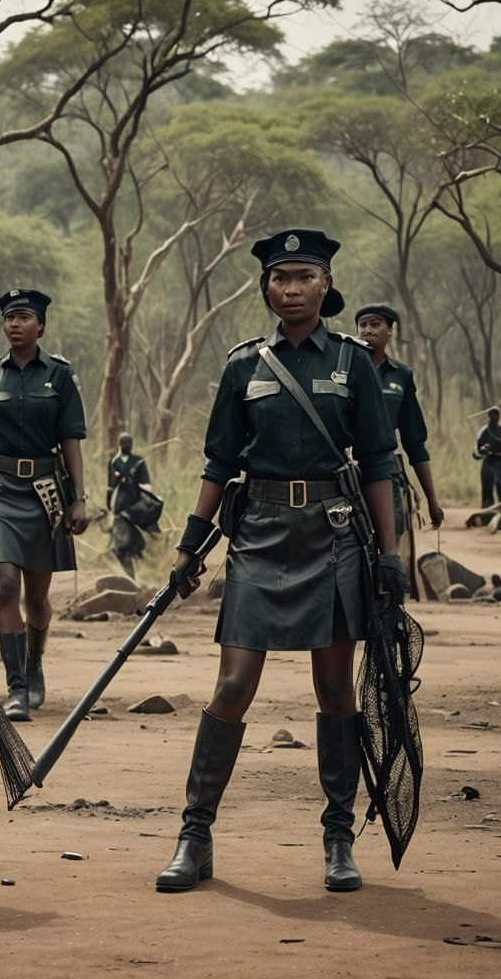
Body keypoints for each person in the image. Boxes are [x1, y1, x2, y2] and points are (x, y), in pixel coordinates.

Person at [155, 229, 407, 897]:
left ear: (326, 284)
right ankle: (195, 833)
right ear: (265, 286)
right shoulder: (245, 365)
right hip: (259, 535)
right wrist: (188, 547)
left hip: (333, 535)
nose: (290, 289)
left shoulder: (354, 363)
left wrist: (391, 556)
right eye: (278, 278)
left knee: (334, 690)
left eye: (303, 277)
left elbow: (380, 463)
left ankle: (337, 837)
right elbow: (218, 463)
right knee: (233, 687)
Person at [0, 289, 89, 722]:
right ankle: (15, 688)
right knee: (6, 586)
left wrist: (80, 500)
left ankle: (34, 664)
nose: (15, 324)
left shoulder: (60, 376)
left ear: (41, 326)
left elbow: (70, 440)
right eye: (9, 317)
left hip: (45, 492)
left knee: (37, 597)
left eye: (24, 317)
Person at [355, 304, 443, 596]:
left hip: (388, 472)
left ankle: (389, 620)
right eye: (363, 324)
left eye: (375, 324)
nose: (368, 330)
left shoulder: (401, 376)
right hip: (347, 472)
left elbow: (415, 442)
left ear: (390, 330)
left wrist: (432, 499)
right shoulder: (344, 369)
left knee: (389, 550)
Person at [106, 432, 157, 577]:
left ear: (132, 445)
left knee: (138, 544)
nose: (126, 446)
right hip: (120, 507)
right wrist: (109, 502)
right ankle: (130, 578)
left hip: (136, 507)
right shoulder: (114, 462)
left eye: (128, 443)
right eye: (123, 444)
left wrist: (146, 503)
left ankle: (144, 577)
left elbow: (146, 485)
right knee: (121, 547)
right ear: (119, 445)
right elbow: (110, 486)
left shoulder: (138, 462)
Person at [473, 406, 501, 507]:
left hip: (500, 462)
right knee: (487, 490)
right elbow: (476, 449)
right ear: (489, 416)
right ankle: (487, 512)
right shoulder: (484, 432)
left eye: (496, 414)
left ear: (499, 416)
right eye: (492, 414)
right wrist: (483, 449)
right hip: (488, 462)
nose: (494, 417)